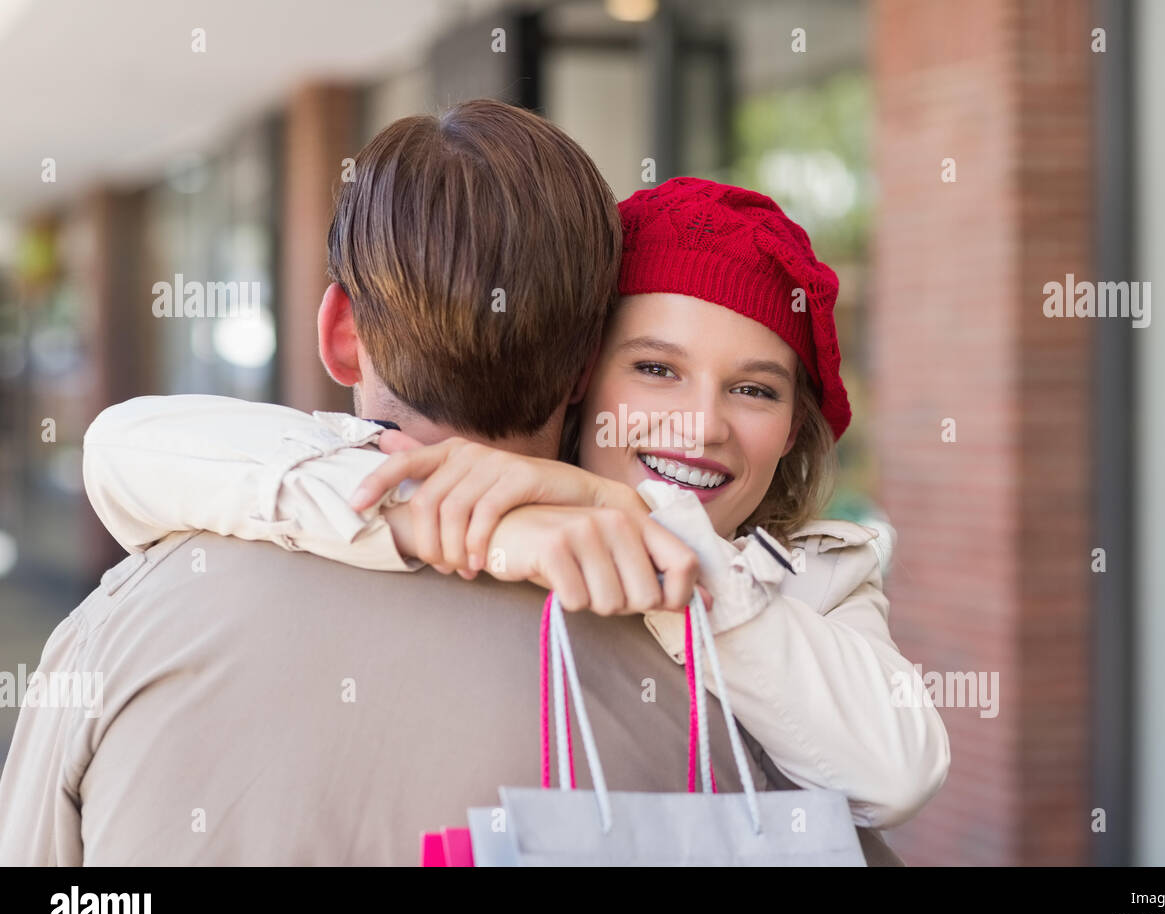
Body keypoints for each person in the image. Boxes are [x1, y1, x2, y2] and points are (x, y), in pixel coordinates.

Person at [0, 102, 909, 866]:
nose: (700, 423)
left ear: (339, 331)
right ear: (586, 368)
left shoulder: (129, 619)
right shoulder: (749, 701)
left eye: (754, 388)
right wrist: (471, 522)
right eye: (658, 368)